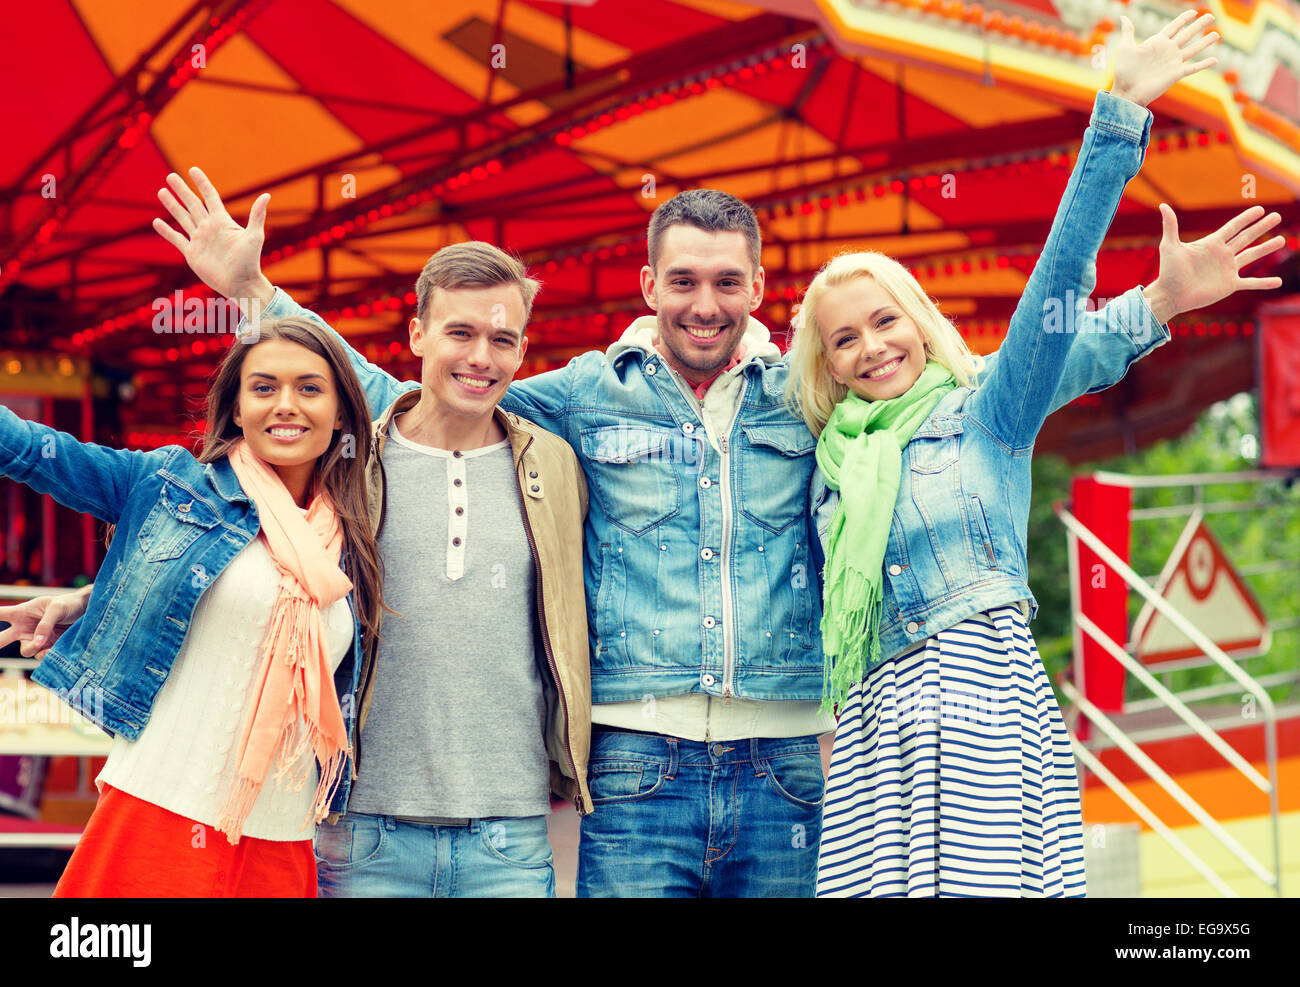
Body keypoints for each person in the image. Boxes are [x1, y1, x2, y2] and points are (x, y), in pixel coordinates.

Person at [116, 17, 1212, 894]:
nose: (704, 303)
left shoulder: (813, 396)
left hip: (788, 758)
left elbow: (1012, 378)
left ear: (757, 290)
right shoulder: (579, 397)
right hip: (635, 765)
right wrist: (257, 296)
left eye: (727, 282)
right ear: (648, 286)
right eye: (682, 280)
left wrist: (1154, 300)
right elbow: (422, 387)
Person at [787, 14, 1285, 896]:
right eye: (844, 340)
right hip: (873, 735)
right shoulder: (828, 462)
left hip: (982, 712)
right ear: (824, 365)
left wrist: (1118, 117)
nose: (870, 348)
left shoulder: (986, 413)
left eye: (885, 320)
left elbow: (1054, 307)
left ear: (920, 322)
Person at [147, 184, 595, 897]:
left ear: (523, 350)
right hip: (364, 828)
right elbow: (243, 545)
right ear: (417, 335)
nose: (481, 357)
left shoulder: (556, 468)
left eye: (503, 339)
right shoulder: (351, 457)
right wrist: (250, 289)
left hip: (511, 832)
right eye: (460, 333)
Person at [0, 314, 384, 897]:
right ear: (233, 410)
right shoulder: (169, 486)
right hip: (161, 809)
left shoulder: (359, 534)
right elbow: (32, 450)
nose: (286, 405)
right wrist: (101, 596)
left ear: (341, 414)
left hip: (282, 834)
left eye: (310, 388)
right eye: (263, 388)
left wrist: (85, 597)